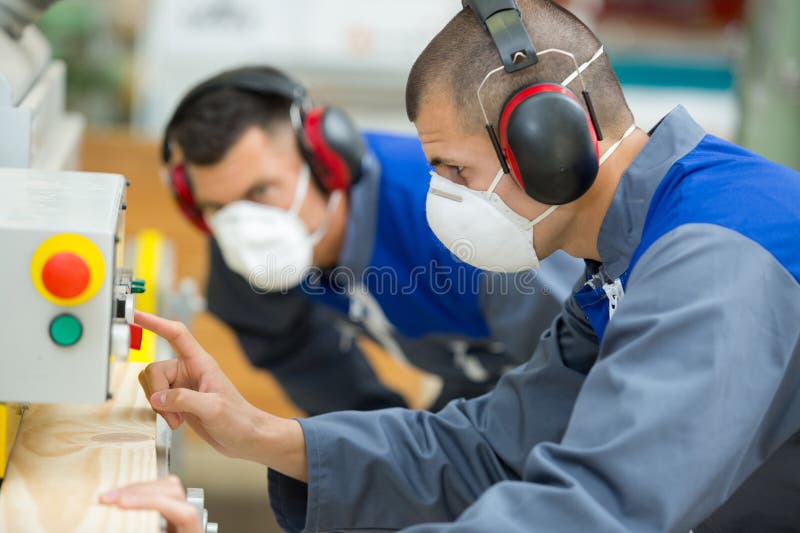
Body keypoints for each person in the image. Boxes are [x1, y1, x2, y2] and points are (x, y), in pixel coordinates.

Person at [104, 1, 800, 531]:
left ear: (551, 141)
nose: (443, 203)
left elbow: (593, 508)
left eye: (454, 170)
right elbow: (490, 448)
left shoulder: (712, 252)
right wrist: (265, 436)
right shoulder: (617, 261)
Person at [160, 66, 582, 414]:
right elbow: (294, 353)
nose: (245, 225)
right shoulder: (245, 249)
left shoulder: (457, 215)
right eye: (218, 207)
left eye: (261, 192)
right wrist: (378, 442)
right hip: (481, 381)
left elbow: (587, 367)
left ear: (325, 161)